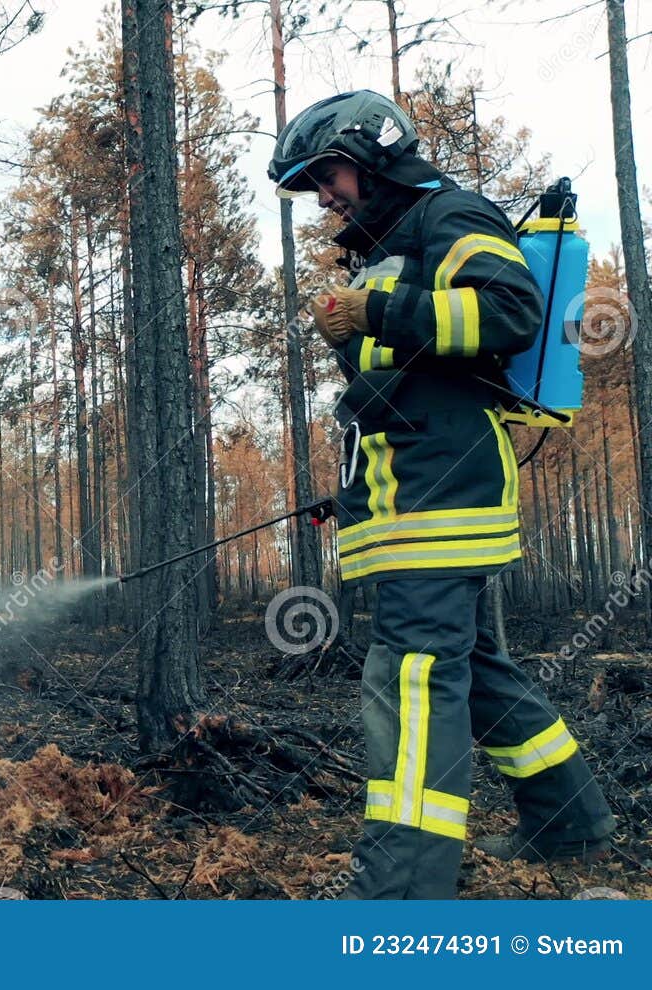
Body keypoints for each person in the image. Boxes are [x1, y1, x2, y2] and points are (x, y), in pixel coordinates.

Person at [269, 90, 616, 898]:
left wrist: (376, 310)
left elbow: (511, 311)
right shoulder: (395, 245)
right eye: (313, 185)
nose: (323, 197)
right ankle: (568, 821)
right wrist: (350, 489)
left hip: (440, 511)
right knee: (480, 671)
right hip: (414, 501)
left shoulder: (448, 218)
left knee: (414, 686)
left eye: (329, 176)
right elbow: (402, 398)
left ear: (377, 155)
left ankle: (401, 889)